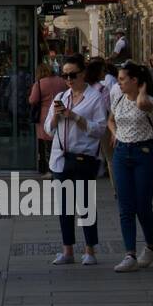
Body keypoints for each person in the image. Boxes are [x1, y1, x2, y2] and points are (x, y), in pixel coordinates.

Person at [45, 54, 108, 265]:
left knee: (85, 205)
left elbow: (99, 129)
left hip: (83, 157)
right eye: (65, 75)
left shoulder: (95, 98)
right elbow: (48, 128)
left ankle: (90, 250)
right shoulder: (61, 97)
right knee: (64, 206)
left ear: (83, 74)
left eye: (72, 75)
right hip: (61, 158)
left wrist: (75, 117)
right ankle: (67, 250)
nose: (69, 79)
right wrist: (55, 116)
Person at [107, 62, 153, 273]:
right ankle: (130, 253)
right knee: (125, 205)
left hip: (144, 153)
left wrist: (143, 91)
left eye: (122, 79)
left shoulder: (149, 101)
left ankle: (151, 245)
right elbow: (110, 119)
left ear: (135, 81)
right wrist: (114, 132)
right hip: (122, 153)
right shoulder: (118, 99)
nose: (118, 83)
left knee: (142, 205)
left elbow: (143, 105)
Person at [28, 61, 67, 177]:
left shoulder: (39, 83)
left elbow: (33, 100)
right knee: (60, 141)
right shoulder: (61, 81)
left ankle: (50, 170)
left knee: (46, 143)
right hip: (61, 111)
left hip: (45, 115)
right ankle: (60, 166)